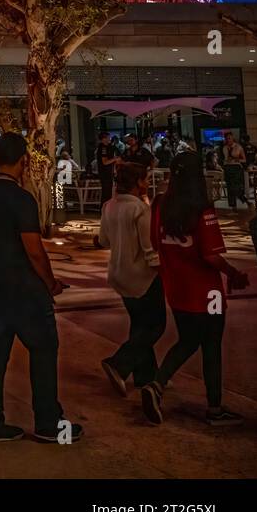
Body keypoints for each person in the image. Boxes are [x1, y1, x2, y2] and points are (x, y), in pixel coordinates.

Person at [0, 132, 80, 444]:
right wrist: (51, 282)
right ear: (24, 160)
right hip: (22, 288)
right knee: (44, 351)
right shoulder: (21, 199)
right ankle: (48, 422)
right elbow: (33, 249)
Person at [141, 151, 250, 426]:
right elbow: (211, 255)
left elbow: (155, 243)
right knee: (211, 345)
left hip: (177, 288)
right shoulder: (202, 209)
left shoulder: (159, 205)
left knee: (188, 339)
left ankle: (157, 384)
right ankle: (214, 408)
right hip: (209, 292)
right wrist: (234, 273)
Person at [97, 159, 165, 398]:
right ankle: (119, 363)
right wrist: (164, 270)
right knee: (156, 326)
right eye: (145, 179)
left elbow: (103, 240)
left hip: (118, 274)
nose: (147, 183)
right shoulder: (139, 209)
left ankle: (146, 376)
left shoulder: (109, 206)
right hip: (141, 276)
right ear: (137, 182)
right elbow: (150, 251)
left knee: (140, 324)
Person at [219, 131, 247, 209]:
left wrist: (237, 159)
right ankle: (233, 207)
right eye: (227, 139)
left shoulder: (238, 147)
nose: (228, 140)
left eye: (229, 138)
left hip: (236, 167)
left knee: (236, 187)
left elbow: (244, 159)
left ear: (232, 138)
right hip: (227, 167)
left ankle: (244, 200)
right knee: (230, 188)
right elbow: (223, 158)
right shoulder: (224, 148)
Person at [96, 130, 120, 203]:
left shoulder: (108, 147)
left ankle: (106, 209)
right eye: (108, 137)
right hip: (105, 173)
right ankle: (104, 209)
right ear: (104, 139)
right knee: (106, 193)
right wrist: (115, 159)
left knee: (108, 192)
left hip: (108, 173)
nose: (110, 139)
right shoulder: (103, 148)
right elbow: (105, 162)